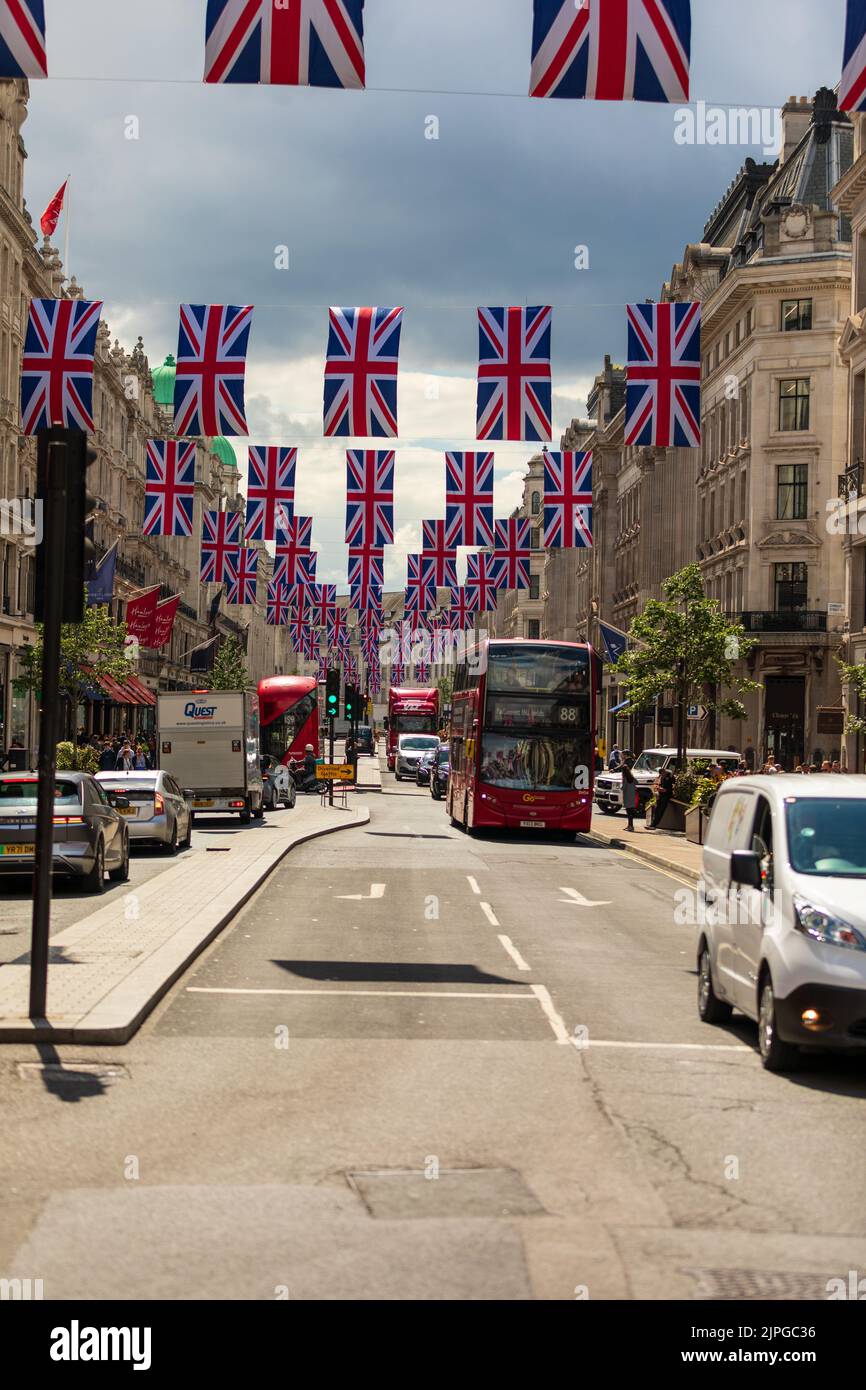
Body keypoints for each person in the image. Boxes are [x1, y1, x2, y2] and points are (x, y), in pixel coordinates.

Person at [650, 764, 675, 830]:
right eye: (661, 773)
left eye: (663, 772)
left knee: (661, 810)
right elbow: (656, 785)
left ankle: (654, 824)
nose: (662, 774)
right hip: (660, 795)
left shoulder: (669, 778)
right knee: (657, 809)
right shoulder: (660, 778)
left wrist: (665, 790)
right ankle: (653, 824)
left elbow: (671, 788)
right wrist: (658, 789)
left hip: (666, 796)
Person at [621, 757, 639, 834]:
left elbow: (623, 788)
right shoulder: (631, 777)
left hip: (627, 796)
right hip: (632, 796)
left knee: (629, 813)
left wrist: (621, 787)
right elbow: (637, 782)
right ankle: (630, 826)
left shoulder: (625, 778)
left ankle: (630, 826)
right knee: (630, 811)